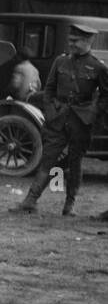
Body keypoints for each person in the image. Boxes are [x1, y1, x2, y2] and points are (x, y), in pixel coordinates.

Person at [15, 24, 108, 217]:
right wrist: (50, 111)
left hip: (81, 122)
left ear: (88, 42)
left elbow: (105, 96)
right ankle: (30, 201)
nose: (71, 44)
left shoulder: (98, 67)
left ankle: (69, 206)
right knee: (48, 159)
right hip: (58, 118)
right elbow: (49, 89)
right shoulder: (60, 62)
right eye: (70, 40)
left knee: (75, 163)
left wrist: (93, 113)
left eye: (76, 41)